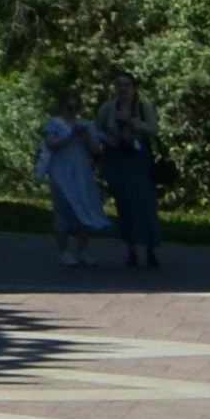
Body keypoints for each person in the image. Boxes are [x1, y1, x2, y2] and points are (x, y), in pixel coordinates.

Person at [99, 79, 165, 273]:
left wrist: (131, 122)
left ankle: (151, 251)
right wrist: (107, 139)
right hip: (117, 158)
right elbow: (98, 129)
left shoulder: (143, 108)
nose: (123, 89)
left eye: (127, 85)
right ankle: (131, 252)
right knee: (124, 203)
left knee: (144, 203)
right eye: (119, 85)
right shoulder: (107, 108)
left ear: (134, 88)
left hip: (139, 158)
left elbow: (153, 130)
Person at [38, 96, 108, 269]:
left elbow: (96, 150)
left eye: (76, 107)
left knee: (86, 207)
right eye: (69, 107)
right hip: (60, 171)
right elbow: (52, 144)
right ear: (62, 107)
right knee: (63, 209)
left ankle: (82, 250)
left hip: (81, 171)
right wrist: (71, 135)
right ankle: (64, 252)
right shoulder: (53, 123)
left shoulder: (86, 124)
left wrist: (85, 136)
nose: (72, 110)